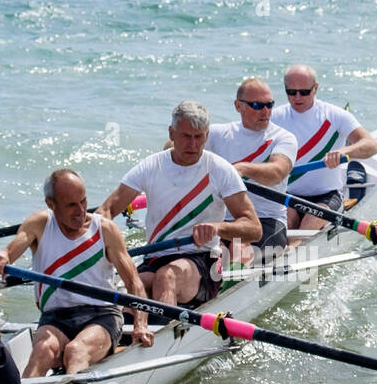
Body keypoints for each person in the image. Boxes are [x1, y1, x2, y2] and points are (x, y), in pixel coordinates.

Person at [0, 168, 153, 378]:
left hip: (101, 315)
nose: (81, 210)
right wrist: (2, 254)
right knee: (42, 351)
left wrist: (140, 325)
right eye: (72, 205)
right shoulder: (40, 224)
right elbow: (12, 249)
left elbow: (133, 283)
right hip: (55, 318)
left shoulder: (105, 230)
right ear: (51, 204)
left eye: (83, 201)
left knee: (75, 352)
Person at [95, 101, 262, 307]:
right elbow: (107, 210)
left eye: (198, 137)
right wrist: (101, 242)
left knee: (167, 277)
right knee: (133, 288)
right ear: (171, 133)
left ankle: (164, 332)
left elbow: (254, 228)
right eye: (186, 136)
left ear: (207, 136)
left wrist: (219, 228)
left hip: (204, 260)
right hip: (155, 256)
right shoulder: (151, 166)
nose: (192, 144)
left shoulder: (220, 170)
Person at [270, 64, 377, 231]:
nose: (297, 97)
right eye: (291, 92)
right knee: (286, 224)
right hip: (287, 194)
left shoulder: (335, 115)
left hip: (327, 196)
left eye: (304, 92)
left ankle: (296, 249)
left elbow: (372, 145)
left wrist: (344, 151)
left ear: (316, 88)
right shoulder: (275, 117)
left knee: (307, 225)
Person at [203, 77, 297, 267]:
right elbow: (176, 147)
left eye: (269, 105)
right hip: (223, 218)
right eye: (257, 105)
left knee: (239, 251)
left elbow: (277, 172)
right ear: (238, 106)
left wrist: (241, 169)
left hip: (267, 220)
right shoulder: (217, 134)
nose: (266, 111)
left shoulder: (283, 138)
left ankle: (230, 283)